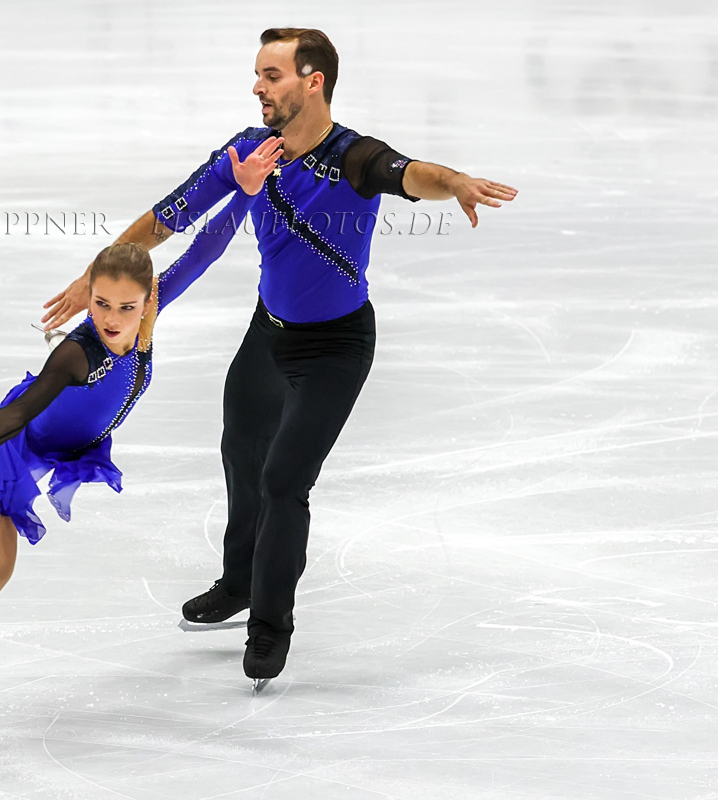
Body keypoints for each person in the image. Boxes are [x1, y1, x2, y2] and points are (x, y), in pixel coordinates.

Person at [41, 27, 518, 689]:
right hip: (268, 335)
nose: (258, 87)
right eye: (258, 75)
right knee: (241, 449)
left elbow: (411, 175)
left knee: (285, 483)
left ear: (312, 81)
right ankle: (238, 582)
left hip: (336, 349)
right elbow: (166, 219)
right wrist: (97, 276)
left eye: (271, 74)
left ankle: (270, 625)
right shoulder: (246, 153)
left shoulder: (354, 157)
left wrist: (457, 181)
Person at [0, 140, 282, 759]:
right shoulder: (77, 354)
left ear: (147, 300)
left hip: (69, 448)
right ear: (86, 296)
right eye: (100, 304)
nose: (114, 319)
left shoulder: (148, 315)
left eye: (126, 305)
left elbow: (203, 251)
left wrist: (243, 191)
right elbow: (18, 410)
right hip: (11, 446)